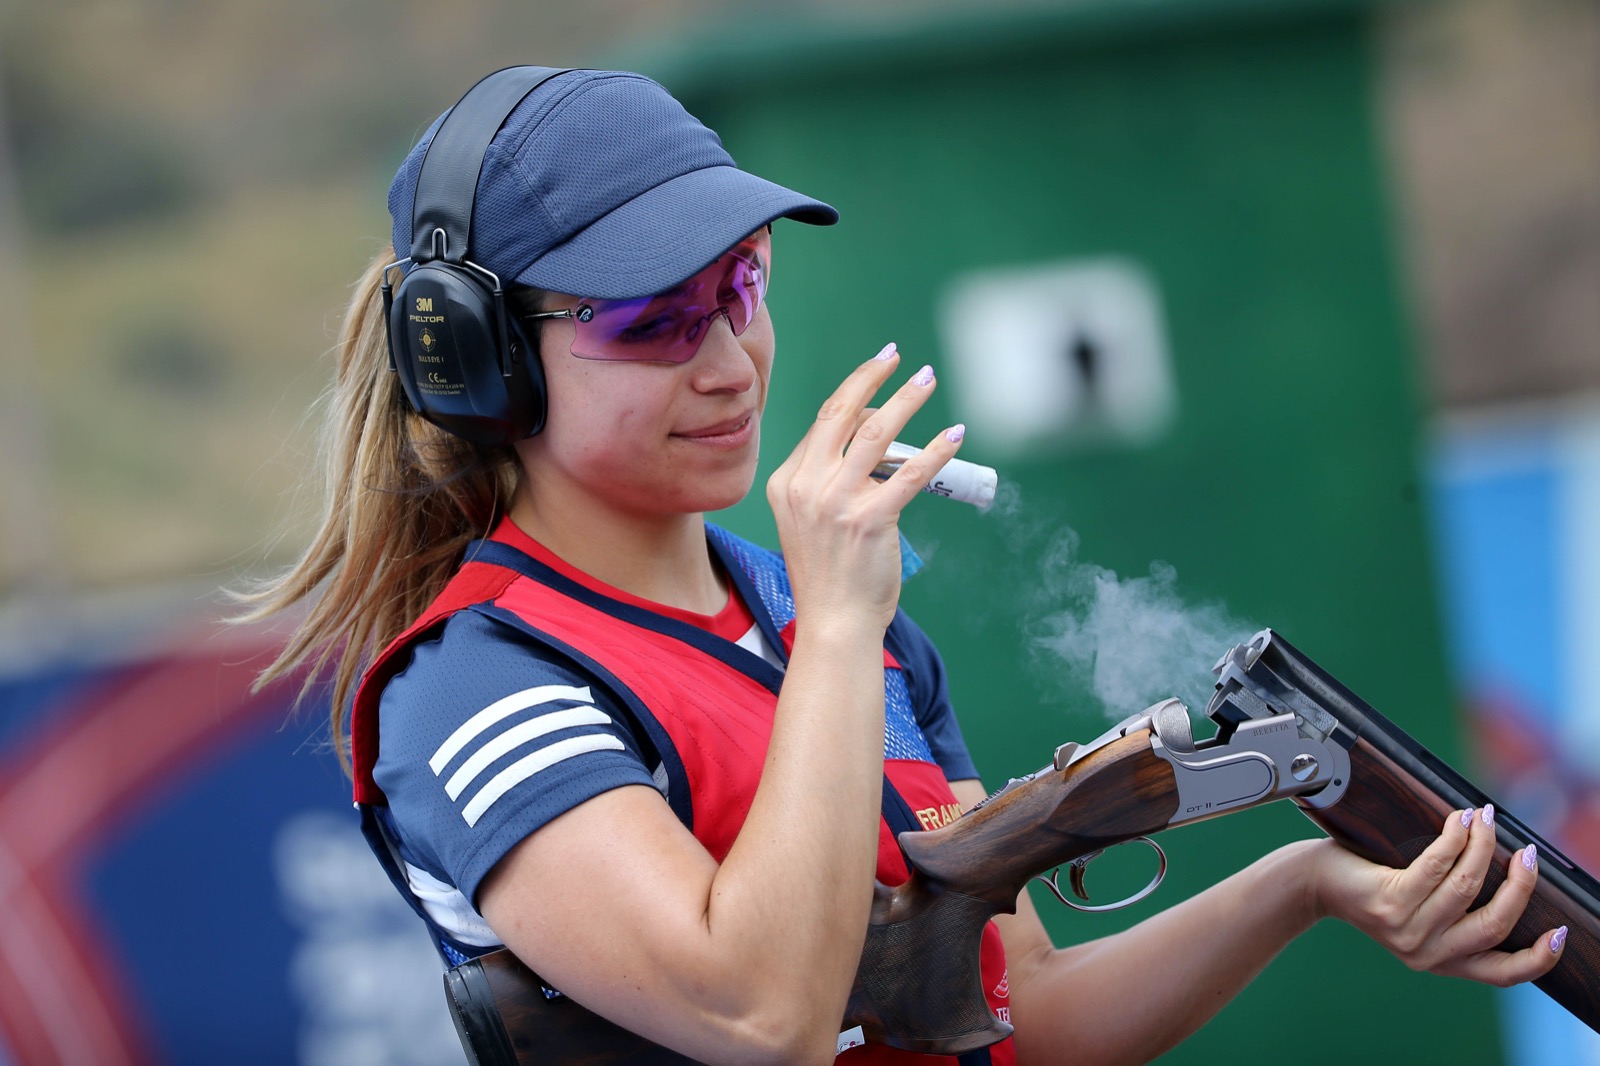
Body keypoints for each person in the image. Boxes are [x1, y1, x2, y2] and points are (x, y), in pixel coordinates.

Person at [242, 67, 1566, 1065]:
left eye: (742, 289)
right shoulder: (483, 685)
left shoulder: (831, 618)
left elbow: (1022, 1011)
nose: (727, 362)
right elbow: (756, 1009)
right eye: (654, 323)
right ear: (479, 355)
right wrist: (830, 629)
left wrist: (1310, 882)